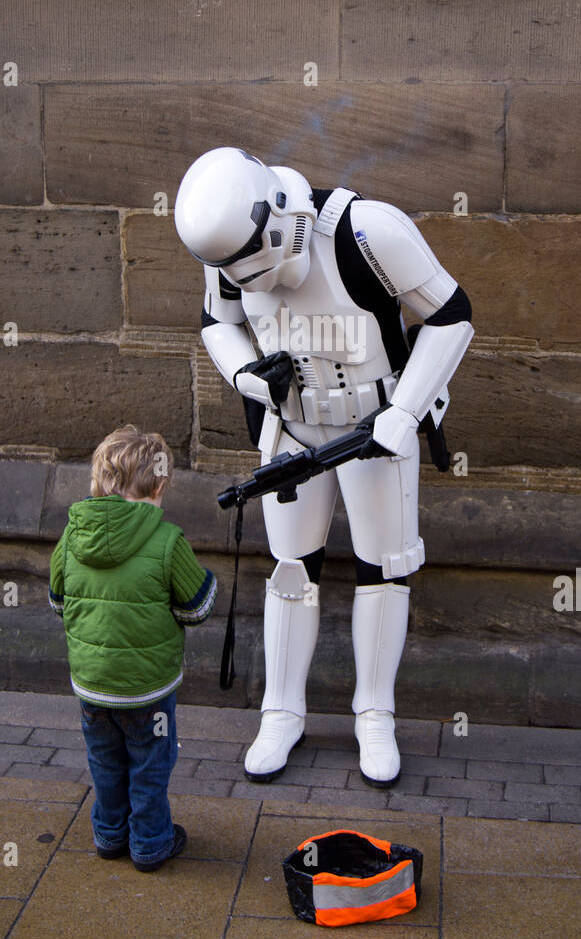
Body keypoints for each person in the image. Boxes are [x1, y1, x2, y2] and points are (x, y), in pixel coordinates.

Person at [174, 147, 473, 788]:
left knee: (382, 568)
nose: (255, 283)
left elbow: (451, 315)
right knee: (291, 569)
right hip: (293, 428)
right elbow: (216, 321)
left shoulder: (368, 234)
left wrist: (405, 411)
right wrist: (244, 375)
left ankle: (375, 712)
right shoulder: (227, 252)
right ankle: (281, 709)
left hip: (375, 427)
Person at [49, 424, 217, 871]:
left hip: (91, 688)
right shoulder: (167, 542)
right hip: (148, 692)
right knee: (150, 763)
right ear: (160, 484)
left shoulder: (71, 536)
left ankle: (108, 835)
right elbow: (197, 609)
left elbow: (57, 601)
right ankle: (150, 842)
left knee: (104, 761)